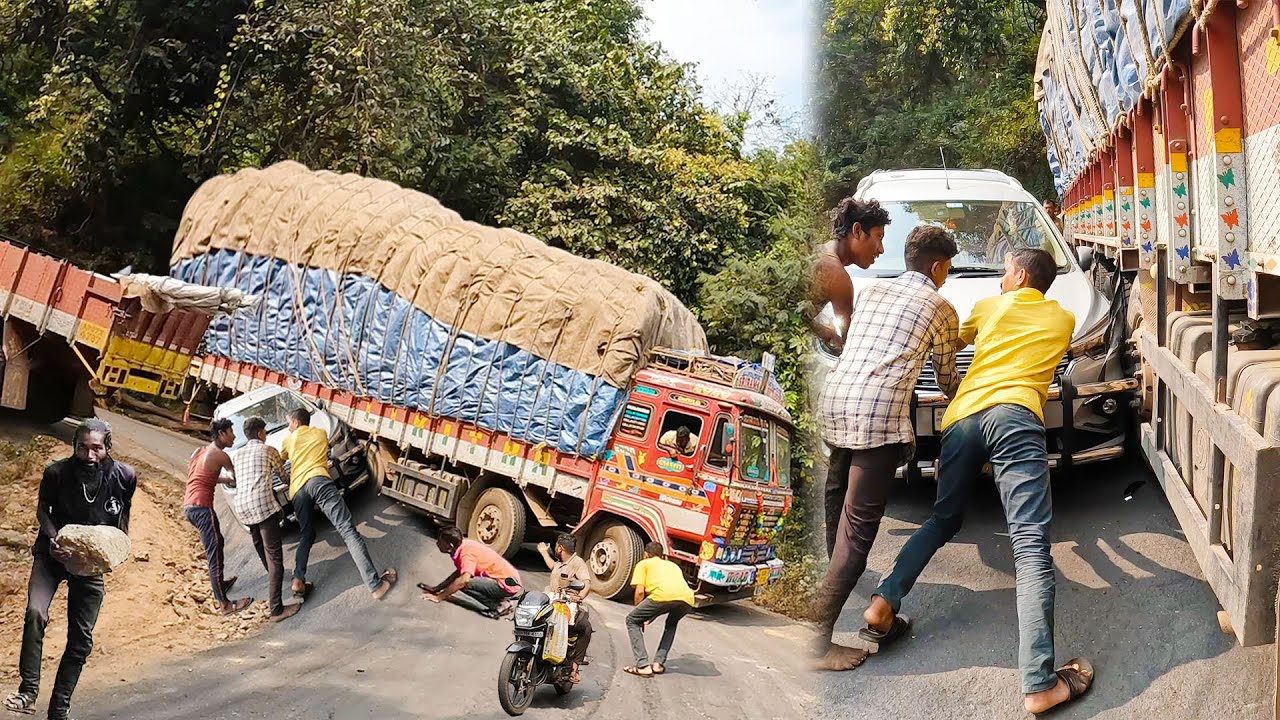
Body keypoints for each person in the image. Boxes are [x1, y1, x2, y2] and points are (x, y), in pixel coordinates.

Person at [860, 248, 1096, 714]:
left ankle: (883, 603)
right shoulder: (1064, 319)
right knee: (1029, 547)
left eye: (1005, 272)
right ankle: (1040, 684)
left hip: (962, 419)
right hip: (1015, 417)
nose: (1000, 281)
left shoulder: (989, 308)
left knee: (943, 519)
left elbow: (945, 340)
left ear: (1022, 273)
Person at [811, 225, 963, 672]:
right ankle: (819, 643)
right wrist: (967, 402)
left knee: (837, 507)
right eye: (948, 269)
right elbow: (948, 376)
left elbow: (859, 343)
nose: (946, 276)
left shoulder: (873, 291)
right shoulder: (940, 306)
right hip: (876, 417)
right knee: (857, 537)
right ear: (937, 267)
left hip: (836, 400)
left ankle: (828, 583)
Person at [4, 420, 137, 720]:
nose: (90, 456)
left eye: (97, 449)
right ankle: (28, 692)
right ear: (74, 447)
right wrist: (53, 539)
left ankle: (59, 708)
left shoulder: (125, 476)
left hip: (88, 561)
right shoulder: (56, 472)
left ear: (108, 448)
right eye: (83, 448)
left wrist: (115, 550)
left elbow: (122, 519)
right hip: (52, 554)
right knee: (35, 613)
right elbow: (43, 509)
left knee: (81, 640)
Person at [282, 408, 396, 600]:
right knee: (348, 531)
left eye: (289, 423)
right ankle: (375, 586)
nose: (288, 426)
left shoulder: (289, 440)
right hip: (319, 480)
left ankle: (298, 579)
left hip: (298, 490)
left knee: (307, 534)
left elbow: (283, 457)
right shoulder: (320, 432)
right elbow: (325, 452)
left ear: (295, 423)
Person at [229, 416, 299, 622]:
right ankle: (276, 609)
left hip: (243, 507)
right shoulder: (268, 450)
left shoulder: (238, 455)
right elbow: (283, 476)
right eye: (265, 432)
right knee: (274, 555)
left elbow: (236, 481)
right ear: (260, 433)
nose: (266, 435)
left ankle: (273, 577)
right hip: (262, 506)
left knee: (260, 546)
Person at [804, 197, 891, 355]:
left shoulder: (820, 251)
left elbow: (799, 317)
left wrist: (824, 332)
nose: (881, 249)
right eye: (879, 237)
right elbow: (851, 342)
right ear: (857, 231)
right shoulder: (838, 275)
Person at [185, 418, 253, 615]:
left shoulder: (200, 451)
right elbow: (235, 478)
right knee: (214, 553)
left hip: (191, 507)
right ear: (222, 433)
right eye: (231, 432)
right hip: (202, 509)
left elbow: (204, 477)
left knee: (218, 543)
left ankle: (219, 585)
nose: (234, 436)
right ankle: (224, 604)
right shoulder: (221, 455)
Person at [622, 542, 695, 678]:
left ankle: (643, 665)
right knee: (671, 624)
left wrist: (639, 615)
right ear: (661, 555)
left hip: (663, 595)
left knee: (631, 620)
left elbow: (639, 592)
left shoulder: (644, 564)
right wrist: (649, 616)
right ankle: (658, 664)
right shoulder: (672, 565)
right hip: (688, 599)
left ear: (646, 555)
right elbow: (665, 598)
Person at [420, 526, 523, 618]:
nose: (437, 543)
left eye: (440, 541)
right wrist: (436, 589)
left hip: (506, 585)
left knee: (463, 583)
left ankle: (498, 606)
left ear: (450, 546)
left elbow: (462, 580)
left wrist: (439, 597)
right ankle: (502, 602)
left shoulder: (466, 554)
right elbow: (459, 573)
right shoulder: (463, 545)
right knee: (459, 580)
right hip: (505, 581)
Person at [537, 534, 592, 683]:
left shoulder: (578, 563)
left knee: (585, 628)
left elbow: (586, 583)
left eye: (556, 546)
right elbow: (552, 567)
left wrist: (579, 596)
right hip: (552, 602)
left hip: (568, 605)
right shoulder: (561, 562)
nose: (555, 548)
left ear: (560, 548)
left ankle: (574, 669)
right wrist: (543, 552)